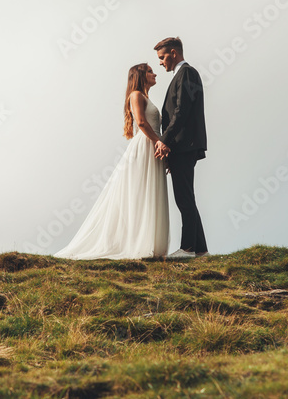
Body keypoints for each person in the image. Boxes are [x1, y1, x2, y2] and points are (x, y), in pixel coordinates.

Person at [54, 63, 169, 260]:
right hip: (146, 145)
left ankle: (148, 242)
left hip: (153, 146)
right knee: (141, 192)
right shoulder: (136, 95)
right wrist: (158, 141)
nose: (155, 74)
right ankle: (137, 243)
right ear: (141, 75)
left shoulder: (144, 97)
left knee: (151, 191)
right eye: (150, 71)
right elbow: (141, 122)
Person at [154, 37, 208, 259]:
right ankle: (201, 250)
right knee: (187, 197)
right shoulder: (182, 74)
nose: (160, 62)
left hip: (184, 145)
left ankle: (187, 248)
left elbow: (181, 110)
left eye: (162, 57)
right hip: (182, 147)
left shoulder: (186, 73)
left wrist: (165, 140)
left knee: (183, 198)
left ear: (173, 53)